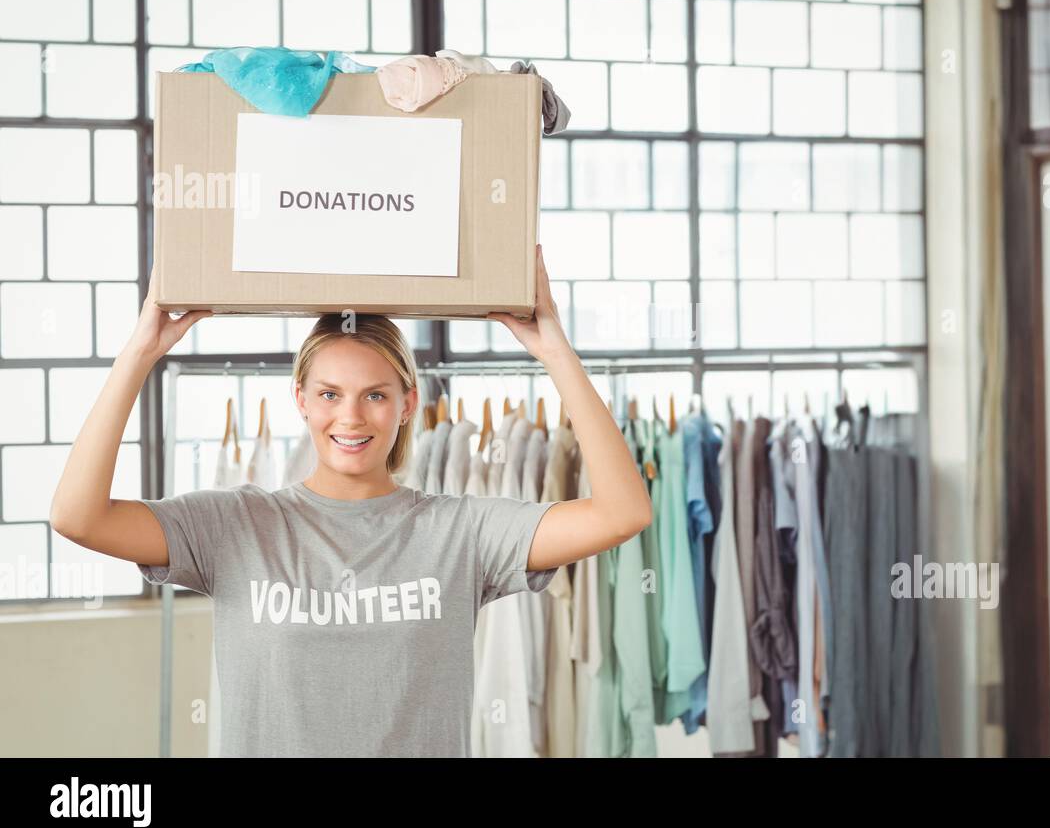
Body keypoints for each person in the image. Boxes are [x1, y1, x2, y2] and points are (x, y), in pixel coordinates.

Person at [48, 244, 652, 757]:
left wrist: (554, 352)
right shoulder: (234, 524)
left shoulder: (461, 532)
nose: (351, 417)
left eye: (375, 396)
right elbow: (77, 517)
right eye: (330, 394)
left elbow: (623, 512)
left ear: (408, 403)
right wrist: (140, 353)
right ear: (302, 401)